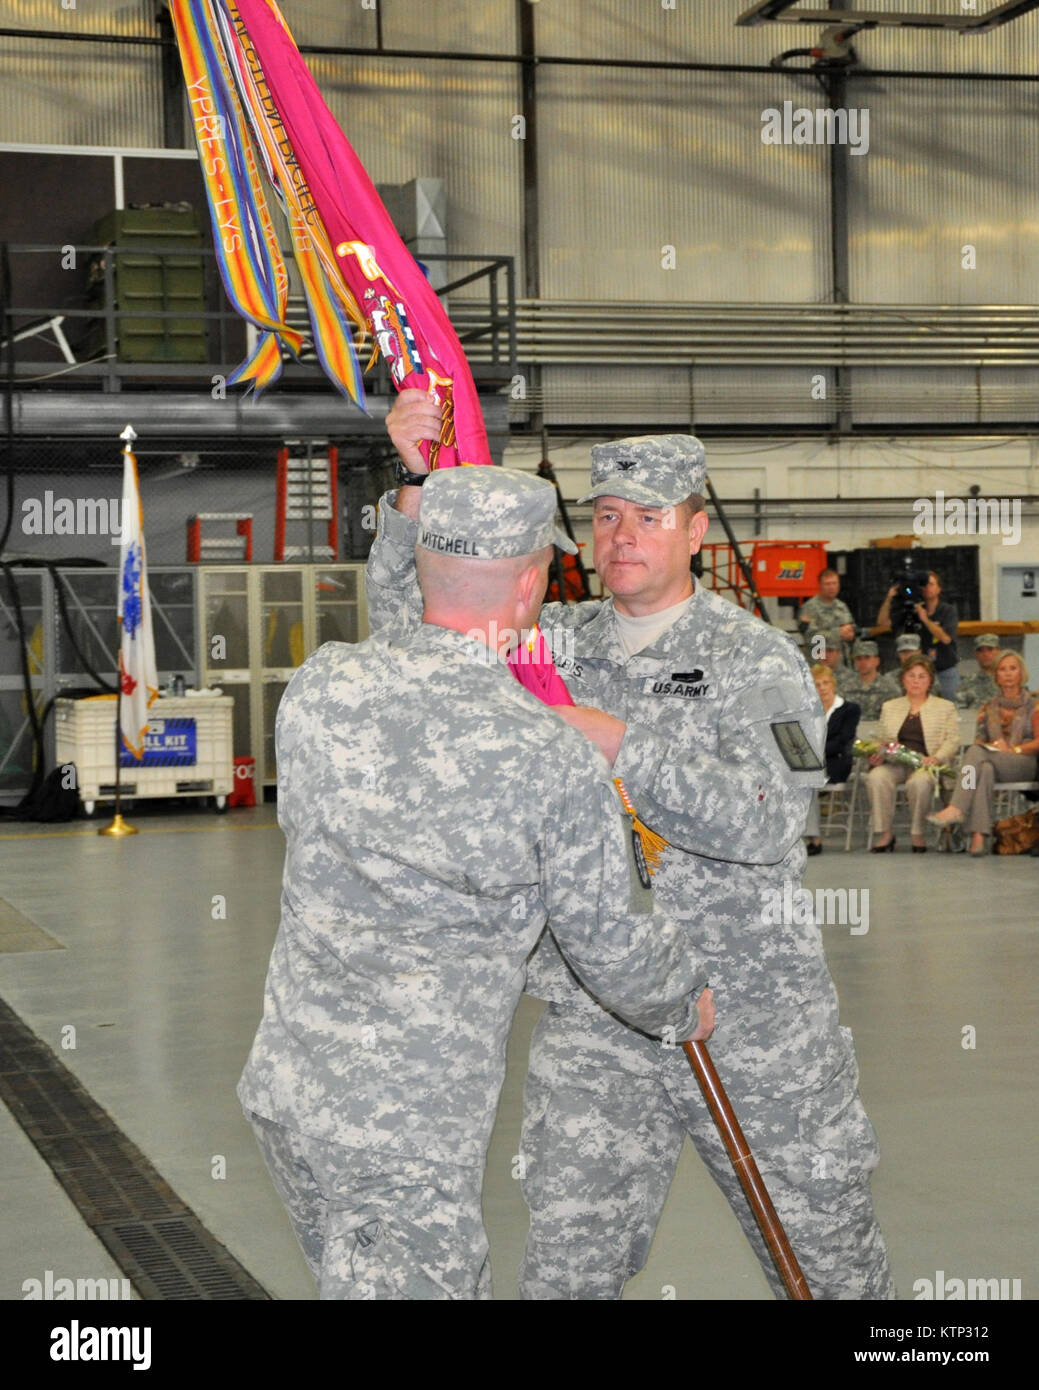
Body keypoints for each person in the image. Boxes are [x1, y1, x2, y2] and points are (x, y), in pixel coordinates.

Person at [368, 394, 896, 1302]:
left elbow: (770, 816)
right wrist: (418, 488)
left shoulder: (758, 660)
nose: (621, 536)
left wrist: (624, 745)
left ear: (695, 531)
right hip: (599, 1021)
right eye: (605, 517)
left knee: (826, 1262)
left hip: (751, 1021)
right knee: (567, 1272)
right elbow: (421, 643)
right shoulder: (550, 645)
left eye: (648, 517)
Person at [237, 466, 714, 1300]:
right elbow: (604, 942)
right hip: (407, 1127)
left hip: (290, 1090)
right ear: (530, 580)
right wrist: (681, 997)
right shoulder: (546, 753)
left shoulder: (318, 688)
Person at [928, 650, 1039, 856]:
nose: (1007, 674)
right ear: (996, 675)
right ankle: (979, 836)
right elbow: (980, 741)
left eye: (1012, 669)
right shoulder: (987, 708)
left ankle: (957, 806)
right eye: (1002, 669)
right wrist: (995, 748)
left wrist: (1013, 749)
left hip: (1024, 763)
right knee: (984, 768)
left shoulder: (1034, 704)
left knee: (975, 753)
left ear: (1021, 673)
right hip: (993, 761)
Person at [866, 655, 960, 853]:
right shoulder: (889, 706)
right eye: (911, 676)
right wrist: (876, 753)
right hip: (895, 762)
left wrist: (937, 758)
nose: (916, 681)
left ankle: (917, 833)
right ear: (903, 679)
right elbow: (879, 738)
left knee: (920, 782)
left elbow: (952, 741)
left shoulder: (945, 707)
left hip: (926, 763)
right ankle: (885, 833)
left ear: (930, 681)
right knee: (876, 777)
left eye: (922, 676)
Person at [876, 570, 959, 702]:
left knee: (950, 707)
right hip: (919, 672)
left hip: (944, 670)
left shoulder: (947, 610)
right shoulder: (912, 609)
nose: (927, 588)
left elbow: (946, 638)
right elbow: (882, 622)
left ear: (939, 589)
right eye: (924, 585)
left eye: (931, 584)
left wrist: (925, 620)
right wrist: (889, 599)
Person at [804, 663, 859, 855]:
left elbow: (843, 741)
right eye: (817, 684)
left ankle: (814, 838)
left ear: (833, 684)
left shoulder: (850, 709)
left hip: (836, 763)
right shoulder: (805, 711)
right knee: (800, 777)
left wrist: (813, 752)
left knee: (806, 777)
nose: (822, 688)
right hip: (808, 764)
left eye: (826, 683)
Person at [798, 568, 856, 665]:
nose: (831, 587)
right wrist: (838, 633)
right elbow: (811, 637)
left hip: (841, 665)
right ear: (820, 585)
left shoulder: (842, 607)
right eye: (827, 584)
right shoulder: (809, 608)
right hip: (819, 665)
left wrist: (850, 635)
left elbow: (851, 629)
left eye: (834, 583)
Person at [836, 639, 900, 721]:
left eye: (867, 658)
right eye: (859, 658)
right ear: (854, 662)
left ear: (877, 661)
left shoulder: (891, 689)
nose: (863, 662)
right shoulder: (845, 689)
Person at [956, 633, 1001, 710]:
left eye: (990, 649)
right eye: (980, 650)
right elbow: (960, 712)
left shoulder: (1008, 680)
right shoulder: (967, 683)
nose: (985, 654)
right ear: (976, 654)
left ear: (999, 652)